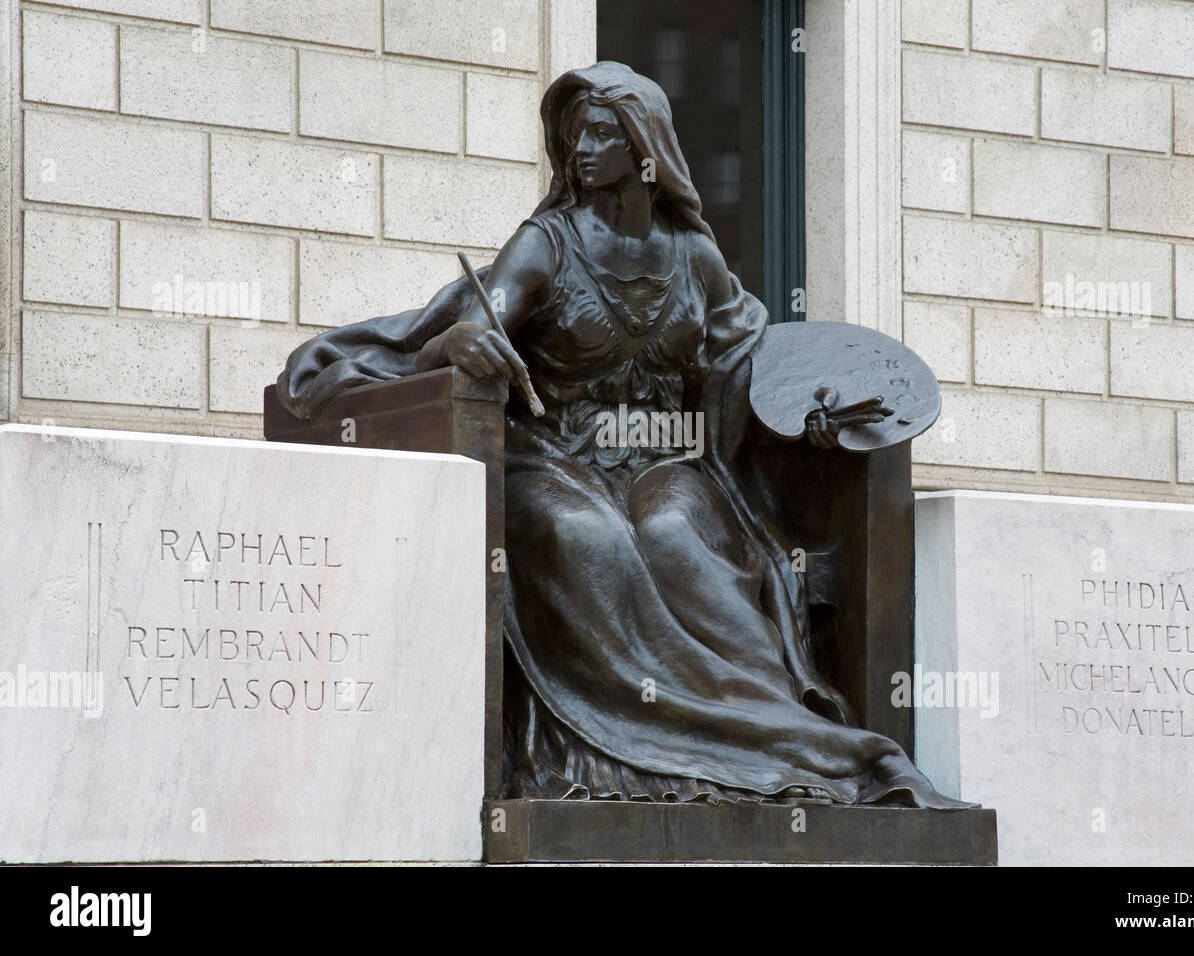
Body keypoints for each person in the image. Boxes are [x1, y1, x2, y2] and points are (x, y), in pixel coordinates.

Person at [279, 61, 968, 809]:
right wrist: (458, 345)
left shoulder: (695, 258)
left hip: (666, 460)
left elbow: (749, 363)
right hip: (553, 456)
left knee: (676, 535)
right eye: (575, 135)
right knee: (587, 539)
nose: (581, 149)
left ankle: (780, 737)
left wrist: (815, 413)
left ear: (646, 150)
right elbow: (478, 325)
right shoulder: (546, 244)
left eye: (602, 133)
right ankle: (641, 751)